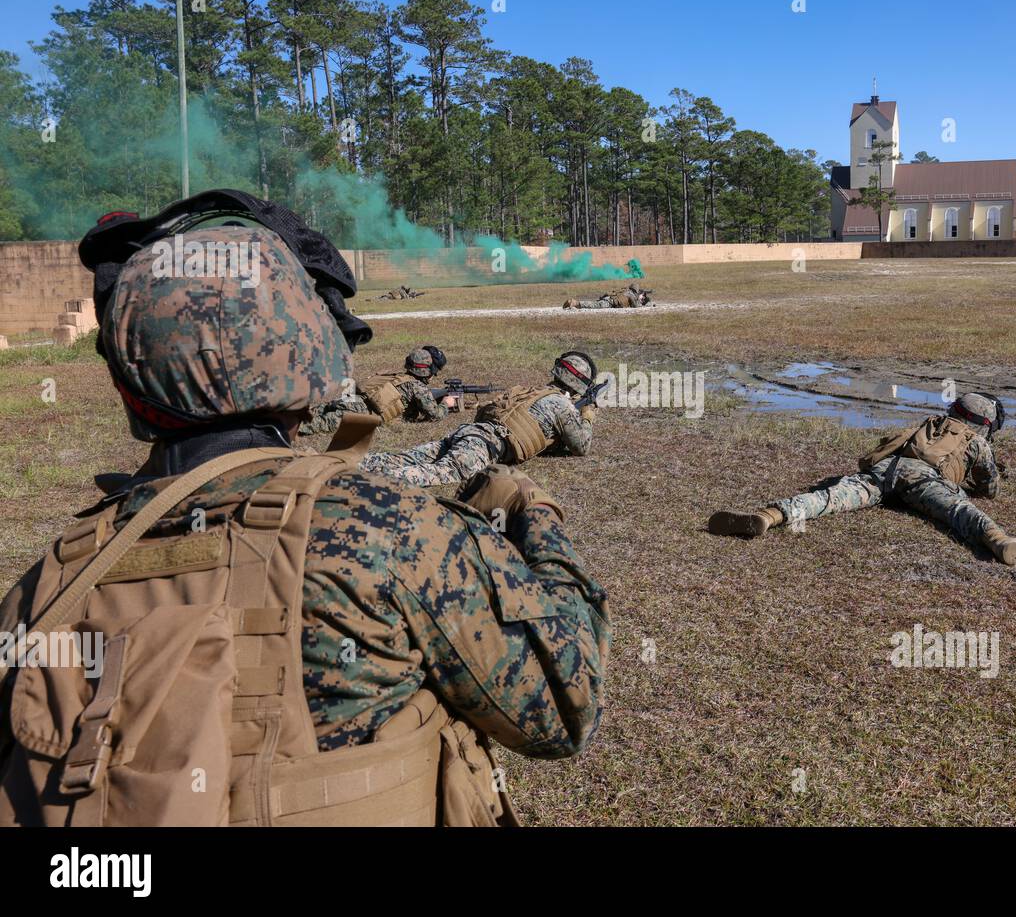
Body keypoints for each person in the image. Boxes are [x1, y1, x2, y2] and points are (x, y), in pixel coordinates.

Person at [0, 196, 609, 827]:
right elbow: (567, 703)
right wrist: (535, 512)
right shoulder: (385, 528)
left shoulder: (58, 574)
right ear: (300, 343)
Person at [708, 392, 1016, 566]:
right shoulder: (976, 441)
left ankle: (770, 516)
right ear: (985, 423)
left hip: (883, 471)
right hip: (924, 481)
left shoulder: (930, 422)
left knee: (831, 497)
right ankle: (1001, 541)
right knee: (958, 512)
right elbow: (990, 489)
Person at [360, 352, 598, 487]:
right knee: (436, 473)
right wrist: (587, 415)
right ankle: (361, 480)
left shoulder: (531, 391)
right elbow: (581, 446)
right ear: (579, 384)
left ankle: (351, 461)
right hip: (485, 446)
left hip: (468, 432)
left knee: (406, 457)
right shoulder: (562, 405)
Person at [300, 345, 455, 436]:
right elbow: (435, 415)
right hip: (360, 414)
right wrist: (446, 405)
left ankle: (286, 417)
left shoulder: (395, 375)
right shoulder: (418, 387)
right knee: (318, 424)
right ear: (427, 370)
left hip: (348, 399)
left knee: (317, 410)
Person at [563, 283, 652, 309]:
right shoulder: (631, 294)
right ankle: (574, 303)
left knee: (594, 304)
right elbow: (635, 305)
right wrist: (644, 303)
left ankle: (575, 303)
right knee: (593, 305)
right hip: (610, 302)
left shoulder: (625, 290)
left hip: (608, 299)